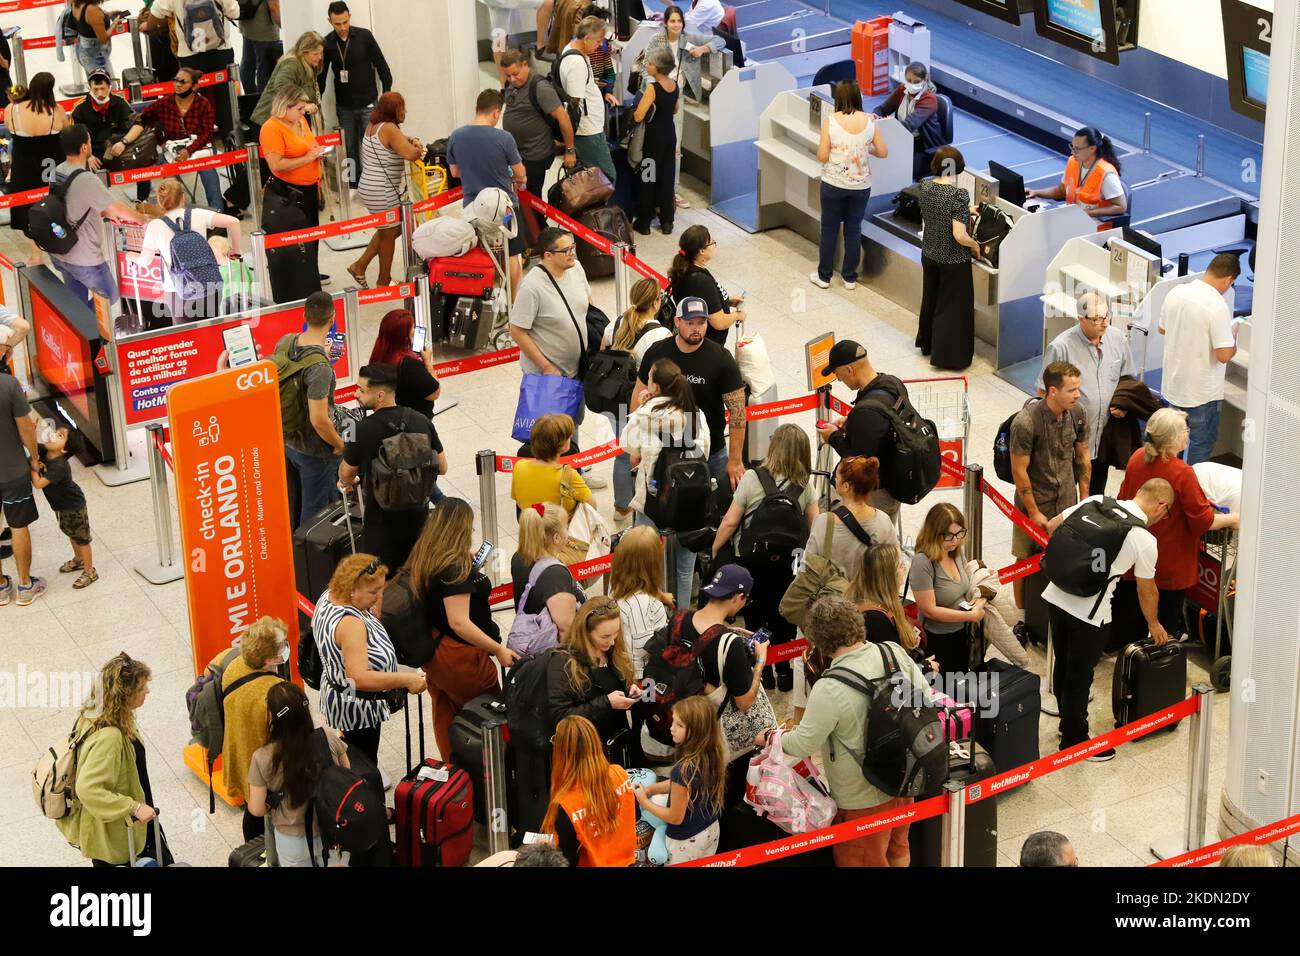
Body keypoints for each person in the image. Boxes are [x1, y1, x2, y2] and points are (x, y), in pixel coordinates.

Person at [757, 595, 929, 867]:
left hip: (862, 794)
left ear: (819, 641)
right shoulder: (891, 652)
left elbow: (803, 743)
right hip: (904, 775)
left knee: (861, 859)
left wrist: (772, 737)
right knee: (898, 846)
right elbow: (926, 697)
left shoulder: (830, 687)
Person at [1043, 479, 1175, 759]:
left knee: (1064, 666)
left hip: (1056, 593)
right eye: (1167, 512)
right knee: (1080, 676)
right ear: (1161, 505)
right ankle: (1075, 742)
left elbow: (1053, 525)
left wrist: (1073, 563)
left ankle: (1068, 724)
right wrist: (1154, 624)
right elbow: (1146, 589)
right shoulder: (1143, 539)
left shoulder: (1095, 501)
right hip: (1090, 611)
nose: (1164, 518)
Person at [404, 498, 518, 761]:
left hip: (435, 650)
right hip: (462, 656)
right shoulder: (453, 568)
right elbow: (460, 622)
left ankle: (454, 774)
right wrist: (497, 648)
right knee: (488, 713)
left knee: (445, 713)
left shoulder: (425, 555)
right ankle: (489, 775)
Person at [1114, 409, 1239, 644]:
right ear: (1172, 439)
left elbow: (1123, 498)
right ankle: (1156, 672)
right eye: (1185, 431)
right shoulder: (1183, 473)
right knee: (1165, 629)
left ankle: (1129, 664)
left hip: (1135, 554)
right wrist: (1233, 519)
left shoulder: (1137, 457)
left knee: (1133, 619)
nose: (1187, 435)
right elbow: (1203, 520)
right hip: (1170, 562)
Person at [711, 423, 818, 690]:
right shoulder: (804, 485)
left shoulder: (752, 478)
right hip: (787, 564)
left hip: (750, 561)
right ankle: (784, 671)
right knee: (783, 614)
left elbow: (730, 522)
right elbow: (815, 527)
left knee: (756, 613)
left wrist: (715, 548)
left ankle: (762, 670)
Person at [56, 653, 168, 866]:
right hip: (117, 829)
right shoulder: (110, 736)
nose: (147, 691)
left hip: (117, 820)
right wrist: (134, 807)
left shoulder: (97, 713)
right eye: (141, 688)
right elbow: (88, 788)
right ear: (124, 695)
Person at [313, 553, 426, 763]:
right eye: (374, 591)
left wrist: (375, 601)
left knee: (354, 752)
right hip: (358, 708)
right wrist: (406, 679)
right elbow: (359, 678)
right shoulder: (350, 624)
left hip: (341, 695)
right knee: (363, 763)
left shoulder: (329, 596)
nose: (379, 596)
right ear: (352, 589)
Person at [339, 363, 446, 573]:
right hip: (418, 521)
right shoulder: (421, 421)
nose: (355, 394)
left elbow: (346, 473)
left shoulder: (360, 430)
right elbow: (442, 467)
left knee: (378, 583)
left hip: (381, 526)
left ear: (380, 395)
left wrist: (346, 482)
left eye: (361, 390)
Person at [622, 356, 710, 609]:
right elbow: (707, 447)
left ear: (656, 387)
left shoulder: (648, 414)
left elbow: (627, 445)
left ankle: (651, 612)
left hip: (654, 501)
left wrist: (640, 408)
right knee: (684, 567)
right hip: (689, 500)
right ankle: (680, 616)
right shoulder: (695, 412)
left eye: (649, 376)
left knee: (645, 563)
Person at [636, 295, 746, 493]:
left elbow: (738, 412)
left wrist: (735, 460)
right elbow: (637, 397)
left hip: (711, 452)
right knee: (658, 512)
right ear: (677, 322)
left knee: (714, 514)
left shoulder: (721, 358)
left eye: (702, 322)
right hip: (663, 451)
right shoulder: (657, 352)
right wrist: (637, 446)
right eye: (690, 323)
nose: (697, 328)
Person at [1010, 360, 1089, 610]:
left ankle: (1055, 609)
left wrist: (1084, 498)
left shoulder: (1078, 414)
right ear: (1053, 391)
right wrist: (1033, 510)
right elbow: (1019, 470)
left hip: (1067, 500)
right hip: (1033, 502)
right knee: (1023, 557)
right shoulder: (1026, 422)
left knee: (1064, 555)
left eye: (1078, 388)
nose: (1077, 395)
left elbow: (1083, 457)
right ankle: (1022, 615)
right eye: (1071, 390)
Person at [1039, 292, 1136, 495]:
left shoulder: (1118, 339)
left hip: (1102, 437)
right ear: (1081, 319)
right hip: (1068, 441)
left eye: (1106, 316)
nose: (1104, 323)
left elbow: (1127, 379)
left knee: (1094, 494)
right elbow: (1043, 392)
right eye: (1096, 319)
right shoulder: (1061, 347)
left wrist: (1122, 404)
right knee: (1061, 493)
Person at [246, 680, 349, 867]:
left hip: (293, 839)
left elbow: (257, 809)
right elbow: (346, 774)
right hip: (334, 828)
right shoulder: (326, 736)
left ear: (272, 717)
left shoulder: (262, 757)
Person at [207, 616, 288, 841]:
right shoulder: (274, 692)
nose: (286, 648)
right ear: (271, 658)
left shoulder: (230, 660)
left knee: (250, 809)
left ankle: (251, 850)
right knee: (261, 815)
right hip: (264, 769)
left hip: (237, 755)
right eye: (282, 646)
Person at [1157, 253, 1241, 466]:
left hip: (1173, 387)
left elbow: (1162, 328)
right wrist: (1233, 336)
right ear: (1228, 280)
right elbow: (1223, 355)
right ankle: (1189, 493)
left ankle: (1169, 490)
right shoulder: (1217, 305)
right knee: (1200, 448)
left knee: (1171, 445)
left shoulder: (1177, 292)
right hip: (1202, 394)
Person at [50, 124, 147, 307]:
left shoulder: (58, 170)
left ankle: (84, 333)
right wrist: (144, 220)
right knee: (111, 302)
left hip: (61, 252)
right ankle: (100, 334)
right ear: (84, 147)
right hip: (84, 258)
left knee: (77, 305)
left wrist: (106, 211)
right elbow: (118, 208)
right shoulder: (86, 178)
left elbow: (74, 202)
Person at [601, 277, 672, 523]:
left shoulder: (616, 322)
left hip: (611, 399)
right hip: (639, 404)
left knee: (622, 452)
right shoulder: (660, 333)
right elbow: (661, 373)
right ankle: (641, 505)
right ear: (656, 302)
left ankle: (621, 506)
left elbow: (603, 352)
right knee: (640, 454)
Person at [816, 339, 912, 522]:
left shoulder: (867, 412)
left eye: (838, 375)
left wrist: (833, 437)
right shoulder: (892, 383)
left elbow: (858, 463)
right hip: (895, 481)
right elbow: (886, 417)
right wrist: (853, 419)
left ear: (849, 370)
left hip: (876, 494)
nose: (839, 380)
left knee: (869, 544)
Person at [273, 291, 345, 528]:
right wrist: (338, 444)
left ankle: (294, 552)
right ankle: (310, 562)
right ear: (332, 319)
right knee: (317, 514)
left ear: (304, 315)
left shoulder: (285, 341)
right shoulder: (320, 369)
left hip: (287, 439)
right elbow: (319, 419)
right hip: (315, 450)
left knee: (294, 501)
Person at [640, 4, 721, 208]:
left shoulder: (688, 39)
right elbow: (645, 67)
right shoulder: (656, 40)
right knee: (651, 147)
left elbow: (720, 40)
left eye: (679, 21)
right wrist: (655, 90)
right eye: (672, 21)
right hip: (656, 99)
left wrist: (702, 49)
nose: (676, 24)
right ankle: (651, 191)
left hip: (676, 100)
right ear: (665, 23)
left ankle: (671, 191)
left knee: (674, 148)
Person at [448, 89, 527, 295]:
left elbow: (455, 172)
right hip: (505, 208)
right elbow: (520, 173)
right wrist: (517, 178)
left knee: (479, 253)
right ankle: (512, 300)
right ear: (495, 113)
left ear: (477, 108)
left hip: (472, 208)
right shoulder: (504, 138)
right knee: (512, 255)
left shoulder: (456, 136)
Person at [548, 596, 641, 766]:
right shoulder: (562, 662)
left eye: (616, 633)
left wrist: (630, 688)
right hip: (585, 757)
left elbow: (615, 682)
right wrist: (606, 703)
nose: (612, 641)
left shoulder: (612, 650)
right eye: (605, 636)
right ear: (585, 632)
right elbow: (560, 717)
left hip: (616, 747)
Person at [811, 79, 886, 291]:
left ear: (839, 98)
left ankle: (824, 277)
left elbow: (822, 155)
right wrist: (863, 149)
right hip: (861, 186)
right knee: (853, 229)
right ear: (858, 97)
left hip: (833, 184)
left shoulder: (831, 121)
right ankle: (849, 277)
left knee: (829, 229)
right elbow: (882, 151)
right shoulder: (871, 121)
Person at [135, 179, 243, 323]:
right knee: (213, 333)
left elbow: (145, 261)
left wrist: (131, 257)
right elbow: (233, 221)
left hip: (178, 292)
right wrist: (235, 250)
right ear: (183, 198)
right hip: (209, 285)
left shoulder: (155, 226)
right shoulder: (198, 214)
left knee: (188, 339)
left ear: (160, 203)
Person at [633, 694, 726, 863]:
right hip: (710, 828)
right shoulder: (712, 754)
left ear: (695, 731)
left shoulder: (681, 769)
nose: (671, 728)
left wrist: (644, 802)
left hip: (686, 840)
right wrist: (653, 789)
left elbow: (675, 817)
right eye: (673, 721)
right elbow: (682, 786)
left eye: (679, 725)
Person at [501, 48, 577, 248]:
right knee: (525, 198)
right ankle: (534, 235)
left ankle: (540, 239)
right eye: (508, 76)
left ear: (525, 65)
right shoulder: (512, 84)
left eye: (516, 74)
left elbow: (563, 119)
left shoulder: (541, 88)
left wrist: (570, 150)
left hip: (535, 153)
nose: (512, 79)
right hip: (517, 153)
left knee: (532, 197)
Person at [349, 92, 424, 290]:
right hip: (382, 190)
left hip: (368, 186)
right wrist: (418, 147)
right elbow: (411, 155)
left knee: (390, 229)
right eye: (401, 108)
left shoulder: (373, 125)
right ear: (393, 111)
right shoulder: (390, 128)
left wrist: (407, 138)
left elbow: (395, 140)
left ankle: (360, 265)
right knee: (389, 233)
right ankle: (384, 281)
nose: (405, 112)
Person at [915, 145, 980, 370]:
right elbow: (959, 235)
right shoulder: (958, 195)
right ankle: (948, 356)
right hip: (953, 260)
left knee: (931, 299)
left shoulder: (924, 185)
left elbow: (939, 210)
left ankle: (927, 344)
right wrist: (975, 246)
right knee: (952, 308)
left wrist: (965, 210)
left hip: (930, 253)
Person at [542, 714, 637, 867]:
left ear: (561, 752)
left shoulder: (566, 804)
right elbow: (635, 814)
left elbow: (566, 860)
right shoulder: (619, 773)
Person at [259, 89, 326, 303]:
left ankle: (310, 280)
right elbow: (276, 165)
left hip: (309, 188)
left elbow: (311, 145)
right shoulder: (271, 128)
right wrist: (308, 158)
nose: (302, 112)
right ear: (284, 107)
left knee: (312, 238)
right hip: (287, 194)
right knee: (295, 242)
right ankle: (297, 288)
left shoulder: (300, 122)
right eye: (298, 109)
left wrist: (318, 155)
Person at [511, 226, 592, 400]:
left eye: (573, 247)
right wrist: (546, 367)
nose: (572, 253)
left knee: (573, 423)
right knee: (552, 426)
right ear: (548, 255)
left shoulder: (576, 268)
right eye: (566, 250)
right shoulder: (532, 287)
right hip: (547, 377)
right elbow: (517, 331)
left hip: (578, 369)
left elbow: (589, 303)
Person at [321, 2, 393, 189]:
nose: (343, 27)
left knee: (371, 145)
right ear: (330, 21)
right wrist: (316, 101)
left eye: (345, 22)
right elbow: (321, 77)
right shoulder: (327, 43)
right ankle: (353, 183)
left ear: (350, 16)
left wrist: (386, 94)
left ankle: (374, 181)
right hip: (344, 106)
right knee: (349, 148)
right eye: (338, 24)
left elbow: (382, 66)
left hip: (369, 103)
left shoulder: (364, 36)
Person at [145, 0, 241, 138]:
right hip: (221, 49)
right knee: (225, 98)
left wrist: (147, 26)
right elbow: (234, 12)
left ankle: (196, 144)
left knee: (189, 99)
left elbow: (156, 12)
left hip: (189, 53)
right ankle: (230, 141)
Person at [909, 502, 984, 677]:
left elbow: (965, 587)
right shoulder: (922, 562)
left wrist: (977, 601)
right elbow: (930, 611)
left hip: (962, 634)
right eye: (949, 535)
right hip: (937, 641)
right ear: (934, 534)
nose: (956, 540)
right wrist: (969, 615)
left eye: (960, 533)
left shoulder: (956, 552)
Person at [139, 67, 223, 210]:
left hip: (198, 147)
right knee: (170, 176)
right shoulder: (165, 102)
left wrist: (188, 151)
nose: (178, 84)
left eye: (183, 82)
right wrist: (161, 140)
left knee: (209, 172)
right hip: (171, 149)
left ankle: (217, 214)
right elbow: (144, 118)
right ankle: (180, 214)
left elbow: (207, 134)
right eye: (176, 80)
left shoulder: (203, 104)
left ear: (194, 86)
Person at [803, 454, 897, 579]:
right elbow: (895, 566)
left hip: (830, 596)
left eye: (836, 477)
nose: (834, 480)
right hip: (868, 596)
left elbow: (807, 567)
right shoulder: (883, 522)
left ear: (846, 486)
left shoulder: (824, 522)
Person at [30, 419, 96, 590]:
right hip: (60, 505)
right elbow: (30, 445)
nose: (52, 435)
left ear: (64, 448)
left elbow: (38, 484)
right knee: (70, 532)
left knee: (82, 539)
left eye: (59, 435)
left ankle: (90, 571)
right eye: (54, 432)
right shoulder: (45, 451)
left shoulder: (60, 466)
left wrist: (33, 466)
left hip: (73, 505)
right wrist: (30, 430)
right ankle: (79, 560)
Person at [7, 74, 70, 247]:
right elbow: (66, 130)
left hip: (23, 166)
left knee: (26, 205)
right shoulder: (56, 111)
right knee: (52, 202)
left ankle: (35, 247)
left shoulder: (13, 109)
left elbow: (8, 127)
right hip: (50, 165)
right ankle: (57, 237)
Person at [1026, 125, 1127, 227]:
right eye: (1072, 147)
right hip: (1072, 221)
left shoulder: (1106, 174)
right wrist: (1035, 192)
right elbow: (1060, 192)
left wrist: (1088, 213)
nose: (1072, 152)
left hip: (1094, 226)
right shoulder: (1073, 162)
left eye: (1077, 149)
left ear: (1092, 149)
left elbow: (1121, 206)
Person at [0, 370, 44, 606]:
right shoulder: (8, 384)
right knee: (18, 525)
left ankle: (0, 586)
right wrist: (35, 458)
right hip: (12, 469)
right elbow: (26, 427)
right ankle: (25, 585)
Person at [512, 503, 585, 639]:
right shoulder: (555, 574)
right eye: (566, 528)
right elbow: (565, 630)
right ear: (556, 537)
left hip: (530, 640)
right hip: (549, 648)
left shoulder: (519, 557)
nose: (568, 534)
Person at [559, 16, 619, 182]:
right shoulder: (576, 63)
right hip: (587, 131)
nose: (600, 45)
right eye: (598, 41)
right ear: (586, 38)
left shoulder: (572, 49)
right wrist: (570, 148)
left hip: (589, 128)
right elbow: (573, 108)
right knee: (606, 178)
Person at [609, 524, 672, 682]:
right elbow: (640, 653)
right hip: (644, 681)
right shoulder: (642, 604)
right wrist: (645, 695)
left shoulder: (618, 587)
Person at [667, 225, 743, 346]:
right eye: (711, 242)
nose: (714, 245)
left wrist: (726, 302)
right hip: (706, 345)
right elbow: (719, 322)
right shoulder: (700, 280)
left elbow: (699, 302)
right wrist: (737, 315)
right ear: (701, 251)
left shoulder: (686, 270)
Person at [631, 47, 679, 237]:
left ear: (658, 68)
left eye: (650, 63)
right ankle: (667, 221)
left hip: (653, 140)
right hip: (670, 136)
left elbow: (638, 116)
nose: (647, 65)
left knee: (648, 178)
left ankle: (644, 221)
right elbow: (675, 109)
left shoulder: (653, 88)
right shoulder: (674, 85)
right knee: (667, 179)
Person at [875, 61, 945, 181]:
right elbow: (882, 108)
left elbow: (908, 126)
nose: (912, 84)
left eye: (916, 82)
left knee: (896, 168)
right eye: (909, 81)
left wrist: (885, 131)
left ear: (924, 80)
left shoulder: (929, 99)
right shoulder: (902, 89)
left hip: (923, 147)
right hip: (902, 140)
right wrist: (874, 116)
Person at [511, 413, 592, 516]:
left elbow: (518, 501)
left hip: (530, 527)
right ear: (563, 446)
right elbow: (591, 504)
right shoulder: (568, 475)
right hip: (561, 528)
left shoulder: (519, 466)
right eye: (568, 437)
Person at [367, 308, 441, 418]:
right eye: (412, 327)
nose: (415, 330)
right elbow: (434, 393)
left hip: (389, 418)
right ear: (404, 335)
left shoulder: (378, 356)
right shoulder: (409, 365)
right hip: (414, 422)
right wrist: (428, 363)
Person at [71, 70, 146, 176]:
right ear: (89, 88)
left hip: (119, 147)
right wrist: (88, 156)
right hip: (94, 153)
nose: (99, 93)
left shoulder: (120, 102)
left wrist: (124, 142)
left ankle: (143, 193)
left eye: (102, 88)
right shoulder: (79, 108)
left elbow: (139, 124)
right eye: (95, 89)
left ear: (110, 87)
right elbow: (76, 137)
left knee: (142, 164)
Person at [251, 31, 324, 128]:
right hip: (269, 123)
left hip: (285, 122)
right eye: (315, 54)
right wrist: (303, 106)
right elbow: (281, 86)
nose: (320, 57)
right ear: (303, 52)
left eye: (321, 53)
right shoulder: (292, 64)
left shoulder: (307, 64)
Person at [238, 0, 282, 95]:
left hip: (246, 23)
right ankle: (263, 104)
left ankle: (251, 99)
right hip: (264, 29)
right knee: (265, 70)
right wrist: (287, 27)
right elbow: (274, 6)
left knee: (247, 65)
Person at [69, 1, 118, 80]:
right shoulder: (92, 10)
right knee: (108, 87)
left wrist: (107, 14)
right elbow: (103, 38)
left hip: (84, 51)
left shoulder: (77, 3)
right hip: (96, 56)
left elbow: (87, 23)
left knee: (95, 87)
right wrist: (115, 23)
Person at [208, 234, 254, 312]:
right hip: (247, 303)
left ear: (215, 254)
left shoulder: (219, 272)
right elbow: (250, 278)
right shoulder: (241, 263)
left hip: (228, 308)